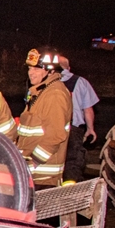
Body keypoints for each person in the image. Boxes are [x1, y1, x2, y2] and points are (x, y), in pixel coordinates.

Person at [16, 48, 72, 188]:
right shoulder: (41, 91)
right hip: (33, 175)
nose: (31, 72)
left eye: (36, 69)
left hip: (43, 178)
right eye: (29, 68)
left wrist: (33, 163)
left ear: (51, 71)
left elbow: (55, 135)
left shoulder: (54, 94)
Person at [59, 55, 100, 183]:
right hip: (73, 129)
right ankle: (70, 190)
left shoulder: (47, 81)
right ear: (69, 68)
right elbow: (87, 109)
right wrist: (90, 129)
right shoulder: (81, 82)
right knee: (73, 162)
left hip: (52, 128)